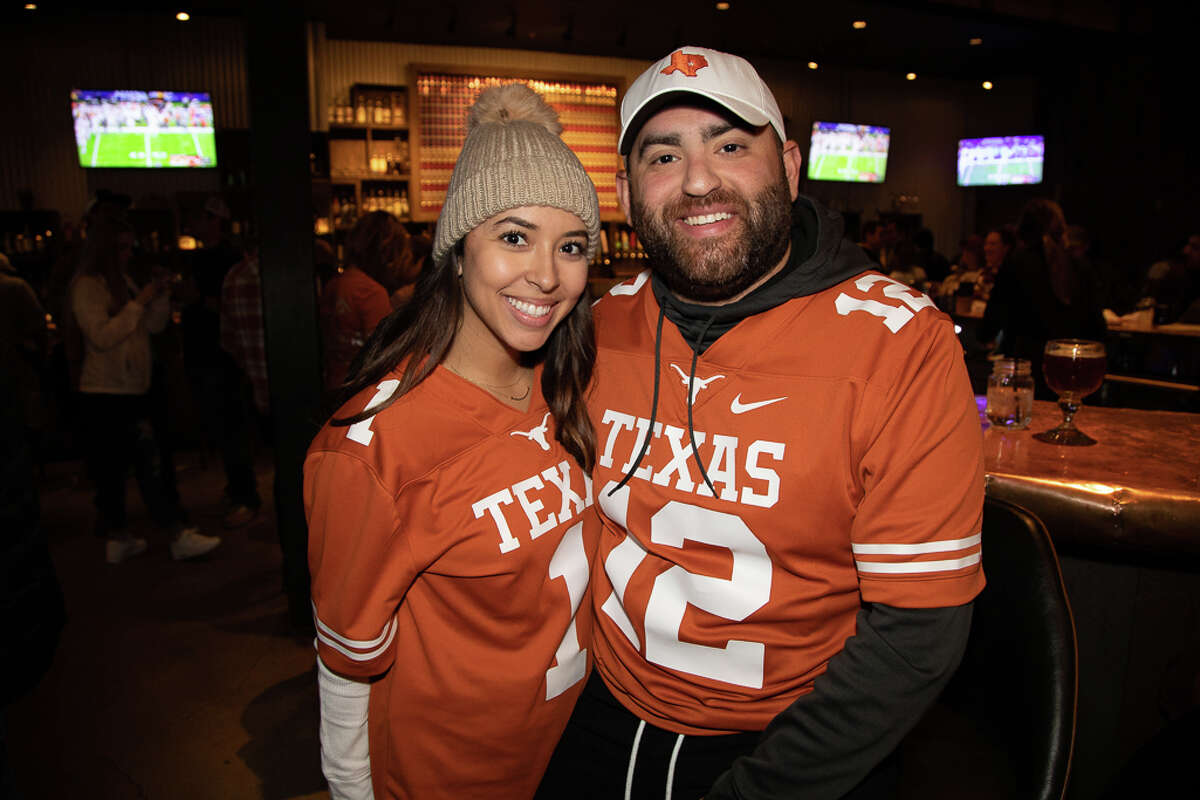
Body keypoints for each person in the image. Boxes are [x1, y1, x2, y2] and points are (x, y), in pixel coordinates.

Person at [537, 46, 985, 800]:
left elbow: (918, 633)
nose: (699, 179)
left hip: (793, 744)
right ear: (623, 190)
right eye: (663, 155)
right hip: (596, 712)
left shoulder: (899, 342)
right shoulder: (594, 324)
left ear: (790, 165)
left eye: (731, 145)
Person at [304, 84, 601, 799]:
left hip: (569, 758)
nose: (546, 274)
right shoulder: (374, 453)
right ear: (456, 252)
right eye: (513, 236)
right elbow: (345, 673)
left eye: (571, 246)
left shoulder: (569, 389)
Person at [69, 217, 222, 562]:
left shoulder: (120, 280)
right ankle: (167, 532)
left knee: (139, 465)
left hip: (133, 387)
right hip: (105, 392)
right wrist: (141, 302)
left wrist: (159, 299)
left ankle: (124, 536)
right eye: (120, 248)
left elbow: (151, 328)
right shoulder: (88, 286)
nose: (127, 254)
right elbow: (102, 336)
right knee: (137, 466)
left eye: (130, 247)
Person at [979, 199, 1107, 388]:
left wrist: (982, 337)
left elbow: (994, 316)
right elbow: (1097, 323)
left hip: (1026, 368)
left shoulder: (1017, 263)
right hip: (1073, 365)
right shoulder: (1080, 265)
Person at [319, 211, 411, 399]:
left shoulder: (334, 283)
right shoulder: (371, 292)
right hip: (360, 392)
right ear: (386, 252)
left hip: (333, 386)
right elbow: (384, 359)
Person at [218, 240, 269, 528]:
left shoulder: (234, 277)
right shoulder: (298, 271)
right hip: (293, 386)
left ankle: (247, 503)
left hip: (251, 382)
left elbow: (228, 340)